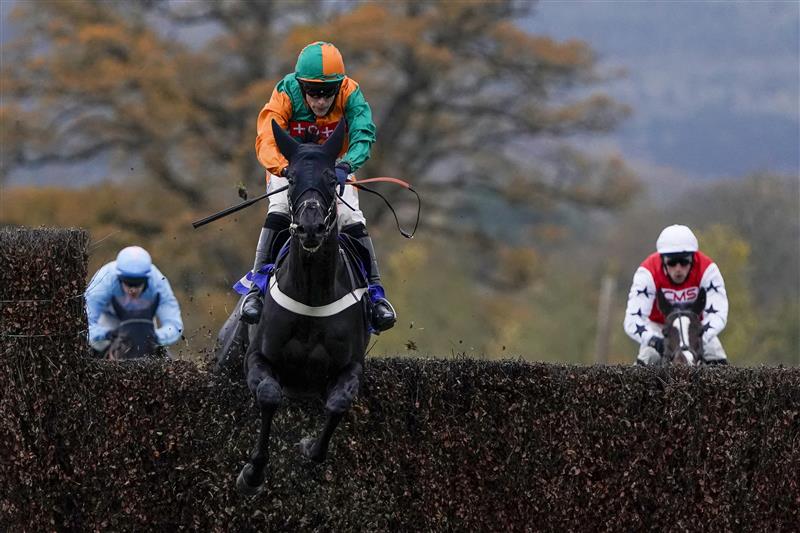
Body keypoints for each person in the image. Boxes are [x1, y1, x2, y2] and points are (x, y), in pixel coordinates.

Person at [242, 40, 396, 332]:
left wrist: (347, 165)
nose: (321, 101)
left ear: (339, 87)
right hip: (291, 169)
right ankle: (257, 289)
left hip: (333, 169)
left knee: (351, 217)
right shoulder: (285, 92)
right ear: (301, 86)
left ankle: (376, 296)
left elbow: (364, 133)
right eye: (313, 92)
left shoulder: (351, 93)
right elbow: (266, 136)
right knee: (277, 210)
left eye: (327, 93)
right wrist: (284, 168)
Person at [624, 224, 729, 365]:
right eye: (672, 262)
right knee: (648, 357)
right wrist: (654, 341)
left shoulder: (708, 269)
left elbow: (718, 314)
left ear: (693, 259)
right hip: (660, 328)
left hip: (695, 328)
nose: (678, 269)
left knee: (716, 354)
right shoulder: (647, 272)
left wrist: (698, 338)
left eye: (684, 262)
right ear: (662, 260)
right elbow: (632, 320)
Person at [85, 246, 183, 356]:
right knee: (96, 347)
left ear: (147, 278)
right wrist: (106, 334)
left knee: (161, 355)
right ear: (119, 277)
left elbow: (174, 326)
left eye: (138, 283)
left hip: (145, 324)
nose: (133, 290)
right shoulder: (104, 281)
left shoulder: (158, 283)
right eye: (127, 282)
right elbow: (85, 325)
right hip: (110, 322)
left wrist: (157, 336)